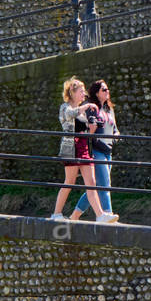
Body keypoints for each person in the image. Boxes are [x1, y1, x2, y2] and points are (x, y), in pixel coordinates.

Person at [50, 77, 117, 224]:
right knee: (69, 182)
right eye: (81, 91)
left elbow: (85, 133)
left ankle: (101, 215)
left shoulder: (82, 112)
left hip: (84, 148)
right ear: (72, 92)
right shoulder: (65, 107)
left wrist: (92, 129)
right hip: (70, 149)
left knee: (91, 183)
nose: (83, 94)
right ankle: (56, 213)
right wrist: (86, 107)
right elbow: (69, 115)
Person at [73, 79, 118, 221]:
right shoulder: (92, 108)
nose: (107, 91)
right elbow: (86, 129)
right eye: (104, 90)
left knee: (97, 187)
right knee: (105, 185)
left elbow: (115, 129)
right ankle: (107, 214)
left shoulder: (109, 110)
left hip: (108, 150)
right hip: (96, 150)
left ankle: (75, 216)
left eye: (107, 89)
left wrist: (116, 136)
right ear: (97, 93)